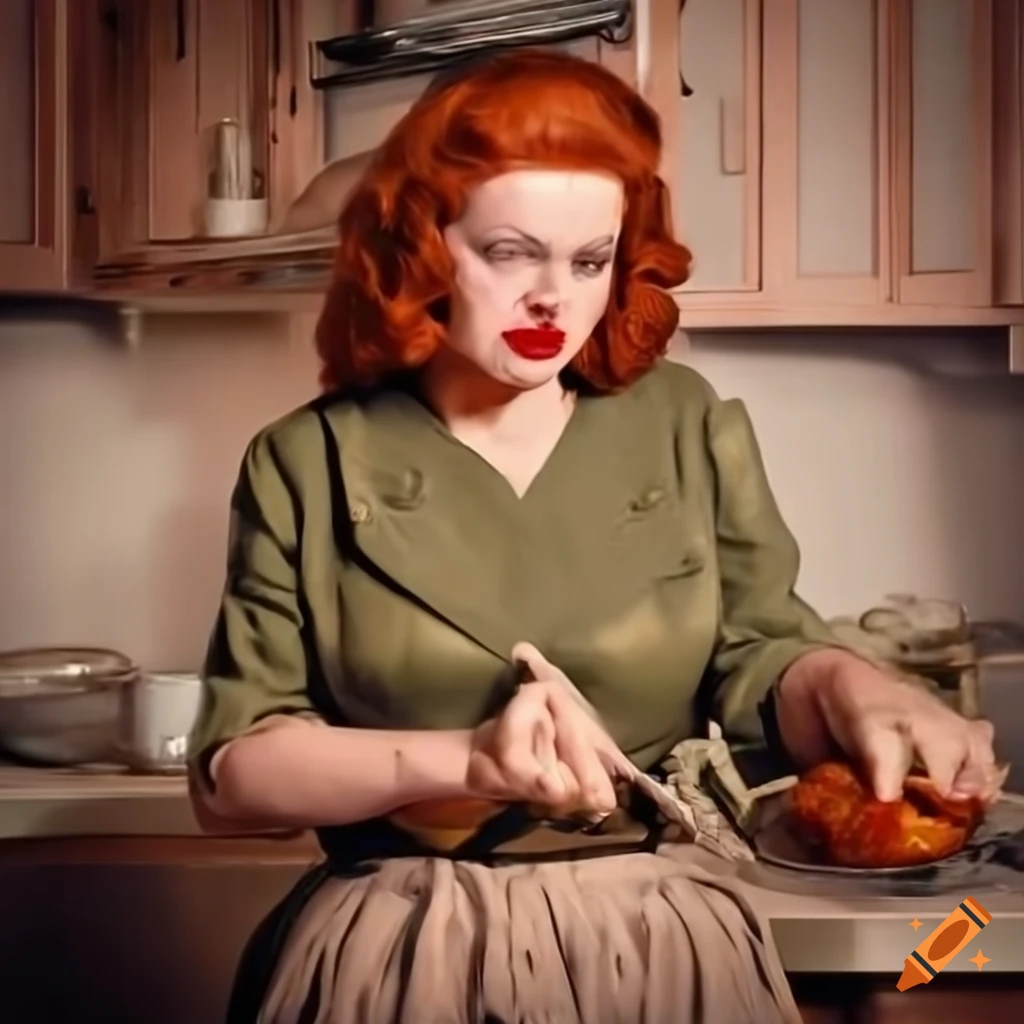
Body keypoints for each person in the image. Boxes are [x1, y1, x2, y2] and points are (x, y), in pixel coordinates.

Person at [188, 49, 1003, 1024]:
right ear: (421, 246)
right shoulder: (306, 458)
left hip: (659, 948)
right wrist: (467, 761)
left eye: (588, 260)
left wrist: (849, 683)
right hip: (403, 948)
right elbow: (235, 774)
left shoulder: (684, 423)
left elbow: (758, 650)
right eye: (509, 252)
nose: (554, 297)